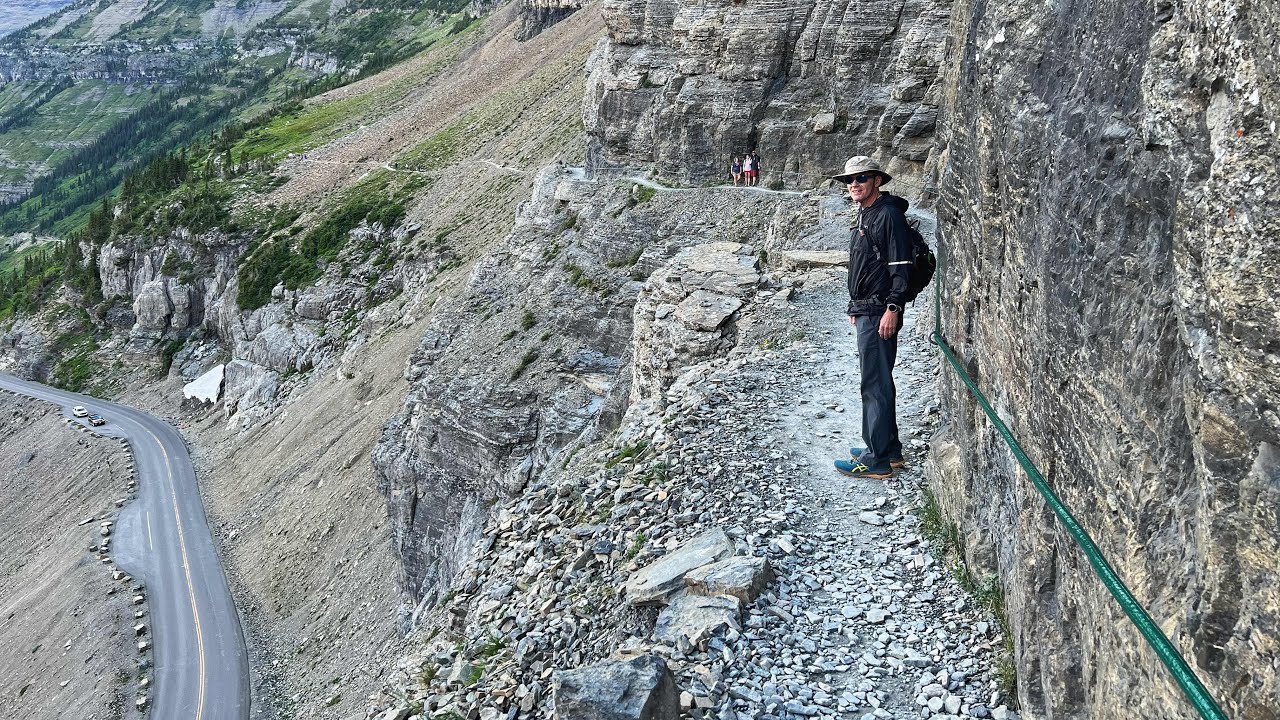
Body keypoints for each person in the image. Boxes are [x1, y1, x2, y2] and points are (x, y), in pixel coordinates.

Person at [831, 156, 912, 479]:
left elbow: (901, 267)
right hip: (869, 307)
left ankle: (875, 459)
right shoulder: (869, 212)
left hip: (881, 310)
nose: (853, 184)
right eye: (849, 180)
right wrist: (857, 305)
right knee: (878, 379)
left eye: (861, 178)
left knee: (874, 383)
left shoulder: (888, 215)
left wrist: (893, 308)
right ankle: (888, 450)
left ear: (877, 180)